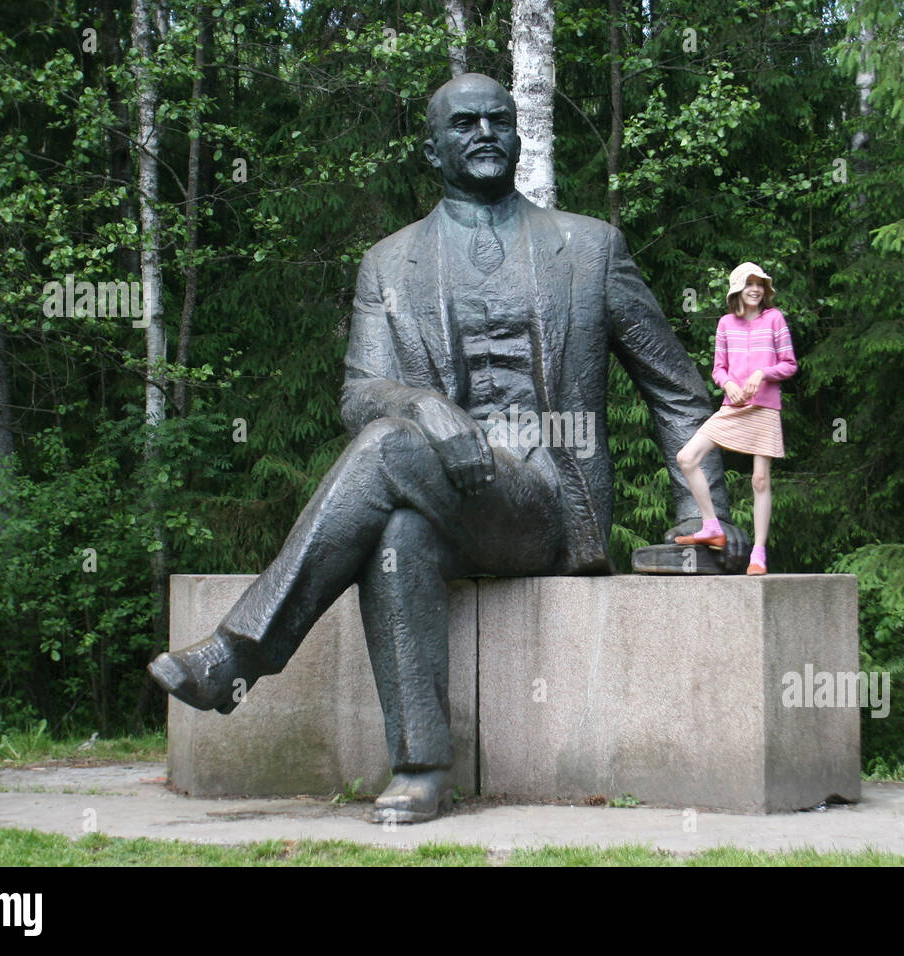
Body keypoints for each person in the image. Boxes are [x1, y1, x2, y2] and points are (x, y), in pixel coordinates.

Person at [148, 73, 751, 824]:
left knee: (385, 450)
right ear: (432, 149)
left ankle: (240, 654)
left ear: (519, 138)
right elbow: (361, 393)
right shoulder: (388, 263)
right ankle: (421, 768)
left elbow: (676, 390)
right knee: (398, 534)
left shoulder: (590, 248)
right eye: (464, 124)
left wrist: (706, 516)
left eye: (499, 120)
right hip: (447, 500)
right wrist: (421, 406)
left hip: (548, 502)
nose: (485, 133)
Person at [672, 263, 797, 575]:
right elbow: (719, 369)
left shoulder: (775, 318)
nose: (755, 290)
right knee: (687, 458)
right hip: (734, 406)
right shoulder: (726, 323)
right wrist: (727, 384)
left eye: (760, 285)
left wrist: (762, 373)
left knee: (760, 479)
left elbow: (789, 364)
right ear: (738, 289)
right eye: (749, 284)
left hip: (764, 407)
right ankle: (711, 526)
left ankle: (759, 554)